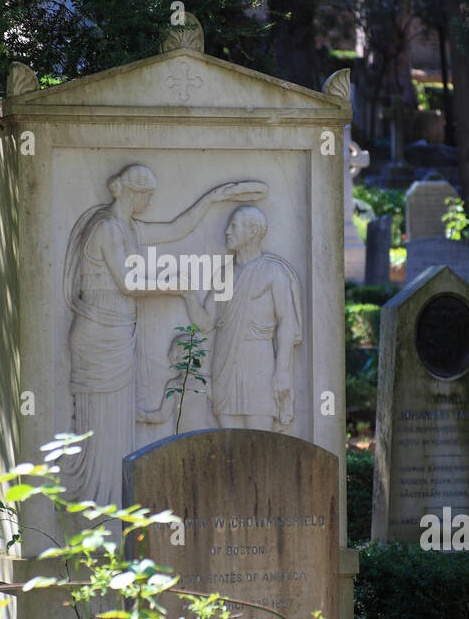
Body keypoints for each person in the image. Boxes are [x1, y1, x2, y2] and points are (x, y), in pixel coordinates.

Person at [61, 165, 264, 505]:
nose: (152, 200)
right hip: (98, 335)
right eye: (147, 193)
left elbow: (176, 228)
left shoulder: (129, 227)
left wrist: (215, 196)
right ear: (128, 191)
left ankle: (112, 498)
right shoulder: (107, 229)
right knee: (100, 421)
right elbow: (128, 283)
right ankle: (95, 497)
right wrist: (178, 288)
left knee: (117, 422)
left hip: (118, 333)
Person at [182, 206, 301, 432]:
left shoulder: (272, 272)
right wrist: (187, 294)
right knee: (230, 446)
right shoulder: (225, 274)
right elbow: (206, 323)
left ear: (253, 231)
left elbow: (287, 322)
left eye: (234, 226)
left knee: (260, 442)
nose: (227, 231)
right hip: (224, 366)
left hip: (259, 365)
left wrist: (282, 371)